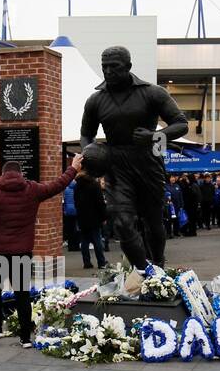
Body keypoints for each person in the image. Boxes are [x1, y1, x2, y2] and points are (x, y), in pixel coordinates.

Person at [79, 45, 189, 269]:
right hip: (116, 165)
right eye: (104, 67)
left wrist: (155, 136)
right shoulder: (95, 100)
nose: (108, 71)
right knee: (121, 222)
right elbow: (86, 133)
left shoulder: (152, 92)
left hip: (148, 162)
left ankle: (158, 264)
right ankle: (144, 271)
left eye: (114, 66)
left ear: (128, 67)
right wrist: (89, 154)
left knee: (153, 221)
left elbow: (181, 124)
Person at [0, 155, 80, 346]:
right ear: (21, 174)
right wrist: (73, 168)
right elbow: (58, 185)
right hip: (22, 252)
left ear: (2, 174)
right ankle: (25, 337)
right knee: (22, 294)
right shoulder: (32, 190)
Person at [74, 168, 108, 270]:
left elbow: (76, 201)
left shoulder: (77, 185)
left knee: (84, 241)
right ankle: (101, 262)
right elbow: (100, 203)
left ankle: (87, 262)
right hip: (94, 217)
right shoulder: (94, 185)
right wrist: (104, 216)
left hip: (82, 217)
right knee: (97, 239)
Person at [61, 179, 79, 252]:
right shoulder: (77, 190)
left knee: (70, 229)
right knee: (76, 229)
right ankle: (76, 246)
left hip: (68, 212)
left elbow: (63, 201)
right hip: (76, 211)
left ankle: (70, 246)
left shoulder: (65, 190)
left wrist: (64, 210)